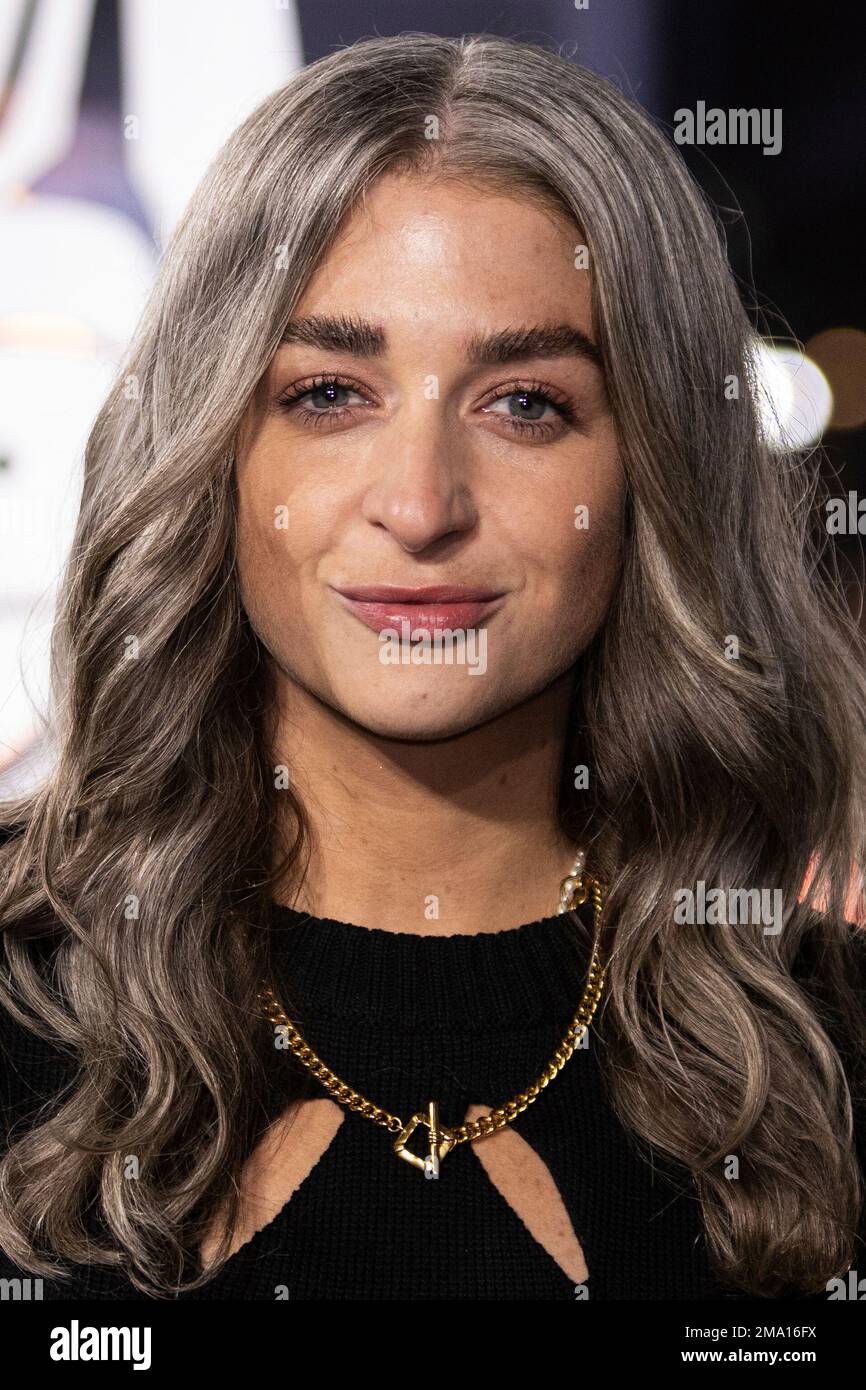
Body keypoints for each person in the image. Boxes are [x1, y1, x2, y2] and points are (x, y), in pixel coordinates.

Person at [1, 31, 864, 1303]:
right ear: (214, 453)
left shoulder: (824, 1050)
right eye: (329, 393)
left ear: (652, 473)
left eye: (524, 404)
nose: (419, 504)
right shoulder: (26, 1000)